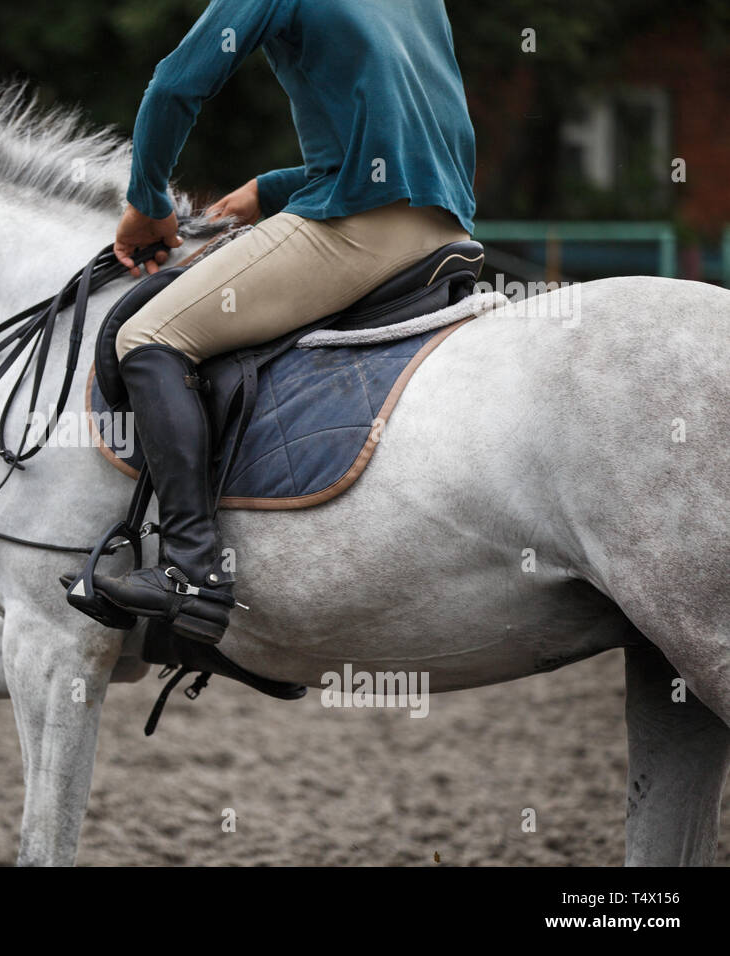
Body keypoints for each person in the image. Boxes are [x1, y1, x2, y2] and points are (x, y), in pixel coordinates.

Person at [85, 0, 477, 644]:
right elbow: (414, 138)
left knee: (149, 337)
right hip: (444, 229)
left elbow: (176, 84)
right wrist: (271, 190)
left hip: (357, 228)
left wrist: (148, 201)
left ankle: (191, 574)